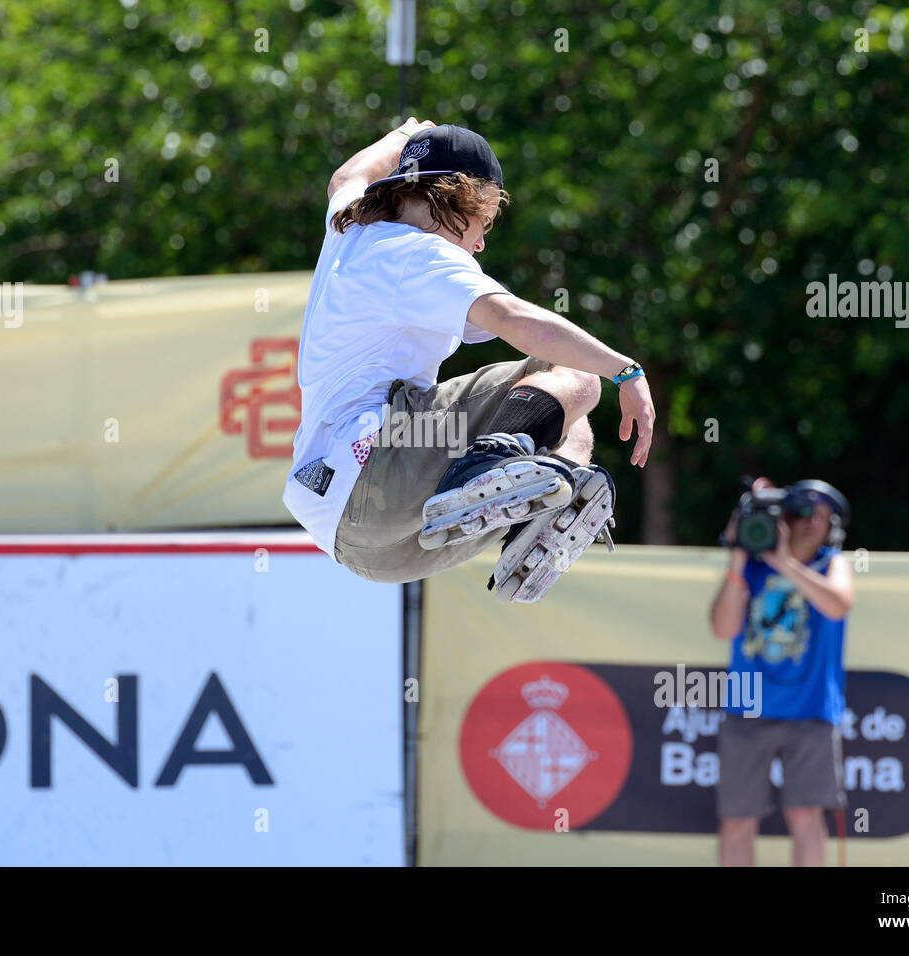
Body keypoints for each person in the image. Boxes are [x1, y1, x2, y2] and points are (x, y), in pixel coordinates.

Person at [283, 120, 656, 602]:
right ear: (460, 198)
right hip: (376, 468)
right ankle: (487, 469)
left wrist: (404, 136)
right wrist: (625, 369)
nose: (480, 242)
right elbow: (517, 320)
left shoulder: (349, 225)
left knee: (564, 415)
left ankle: (546, 505)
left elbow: (346, 176)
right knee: (574, 374)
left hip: (359, 542)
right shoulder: (419, 254)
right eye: (483, 221)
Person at [708, 478, 855, 866]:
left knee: (806, 816)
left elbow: (838, 604)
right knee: (737, 819)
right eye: (805, 511)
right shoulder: (751, 568)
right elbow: (723, 628)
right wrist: (739, 555)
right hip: (746, 708)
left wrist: (783, 563)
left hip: (811, 712)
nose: (813, 522)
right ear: (786, 517)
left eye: (824, 515)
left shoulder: (832, 564)